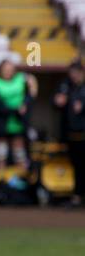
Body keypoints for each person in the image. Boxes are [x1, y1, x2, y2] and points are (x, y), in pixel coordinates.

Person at [0, 55, 38, 168]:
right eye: (5, 69)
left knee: (19, 154)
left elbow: (33, 85)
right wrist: (14, 110)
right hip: (2, 122)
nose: (8, 72)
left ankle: (20, 180)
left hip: (17, 122)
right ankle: (1, 181)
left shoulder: (21, 78)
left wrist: (26, 103)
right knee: (1, 155)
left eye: (10, 69)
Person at [52, 59, 85, 207]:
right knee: (77, 166)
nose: (74, 76)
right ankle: (77, 196)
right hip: (72, 134)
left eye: (76, 73)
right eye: (71, 73)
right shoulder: (66, 85)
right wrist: (57, 101)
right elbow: (56, 103)